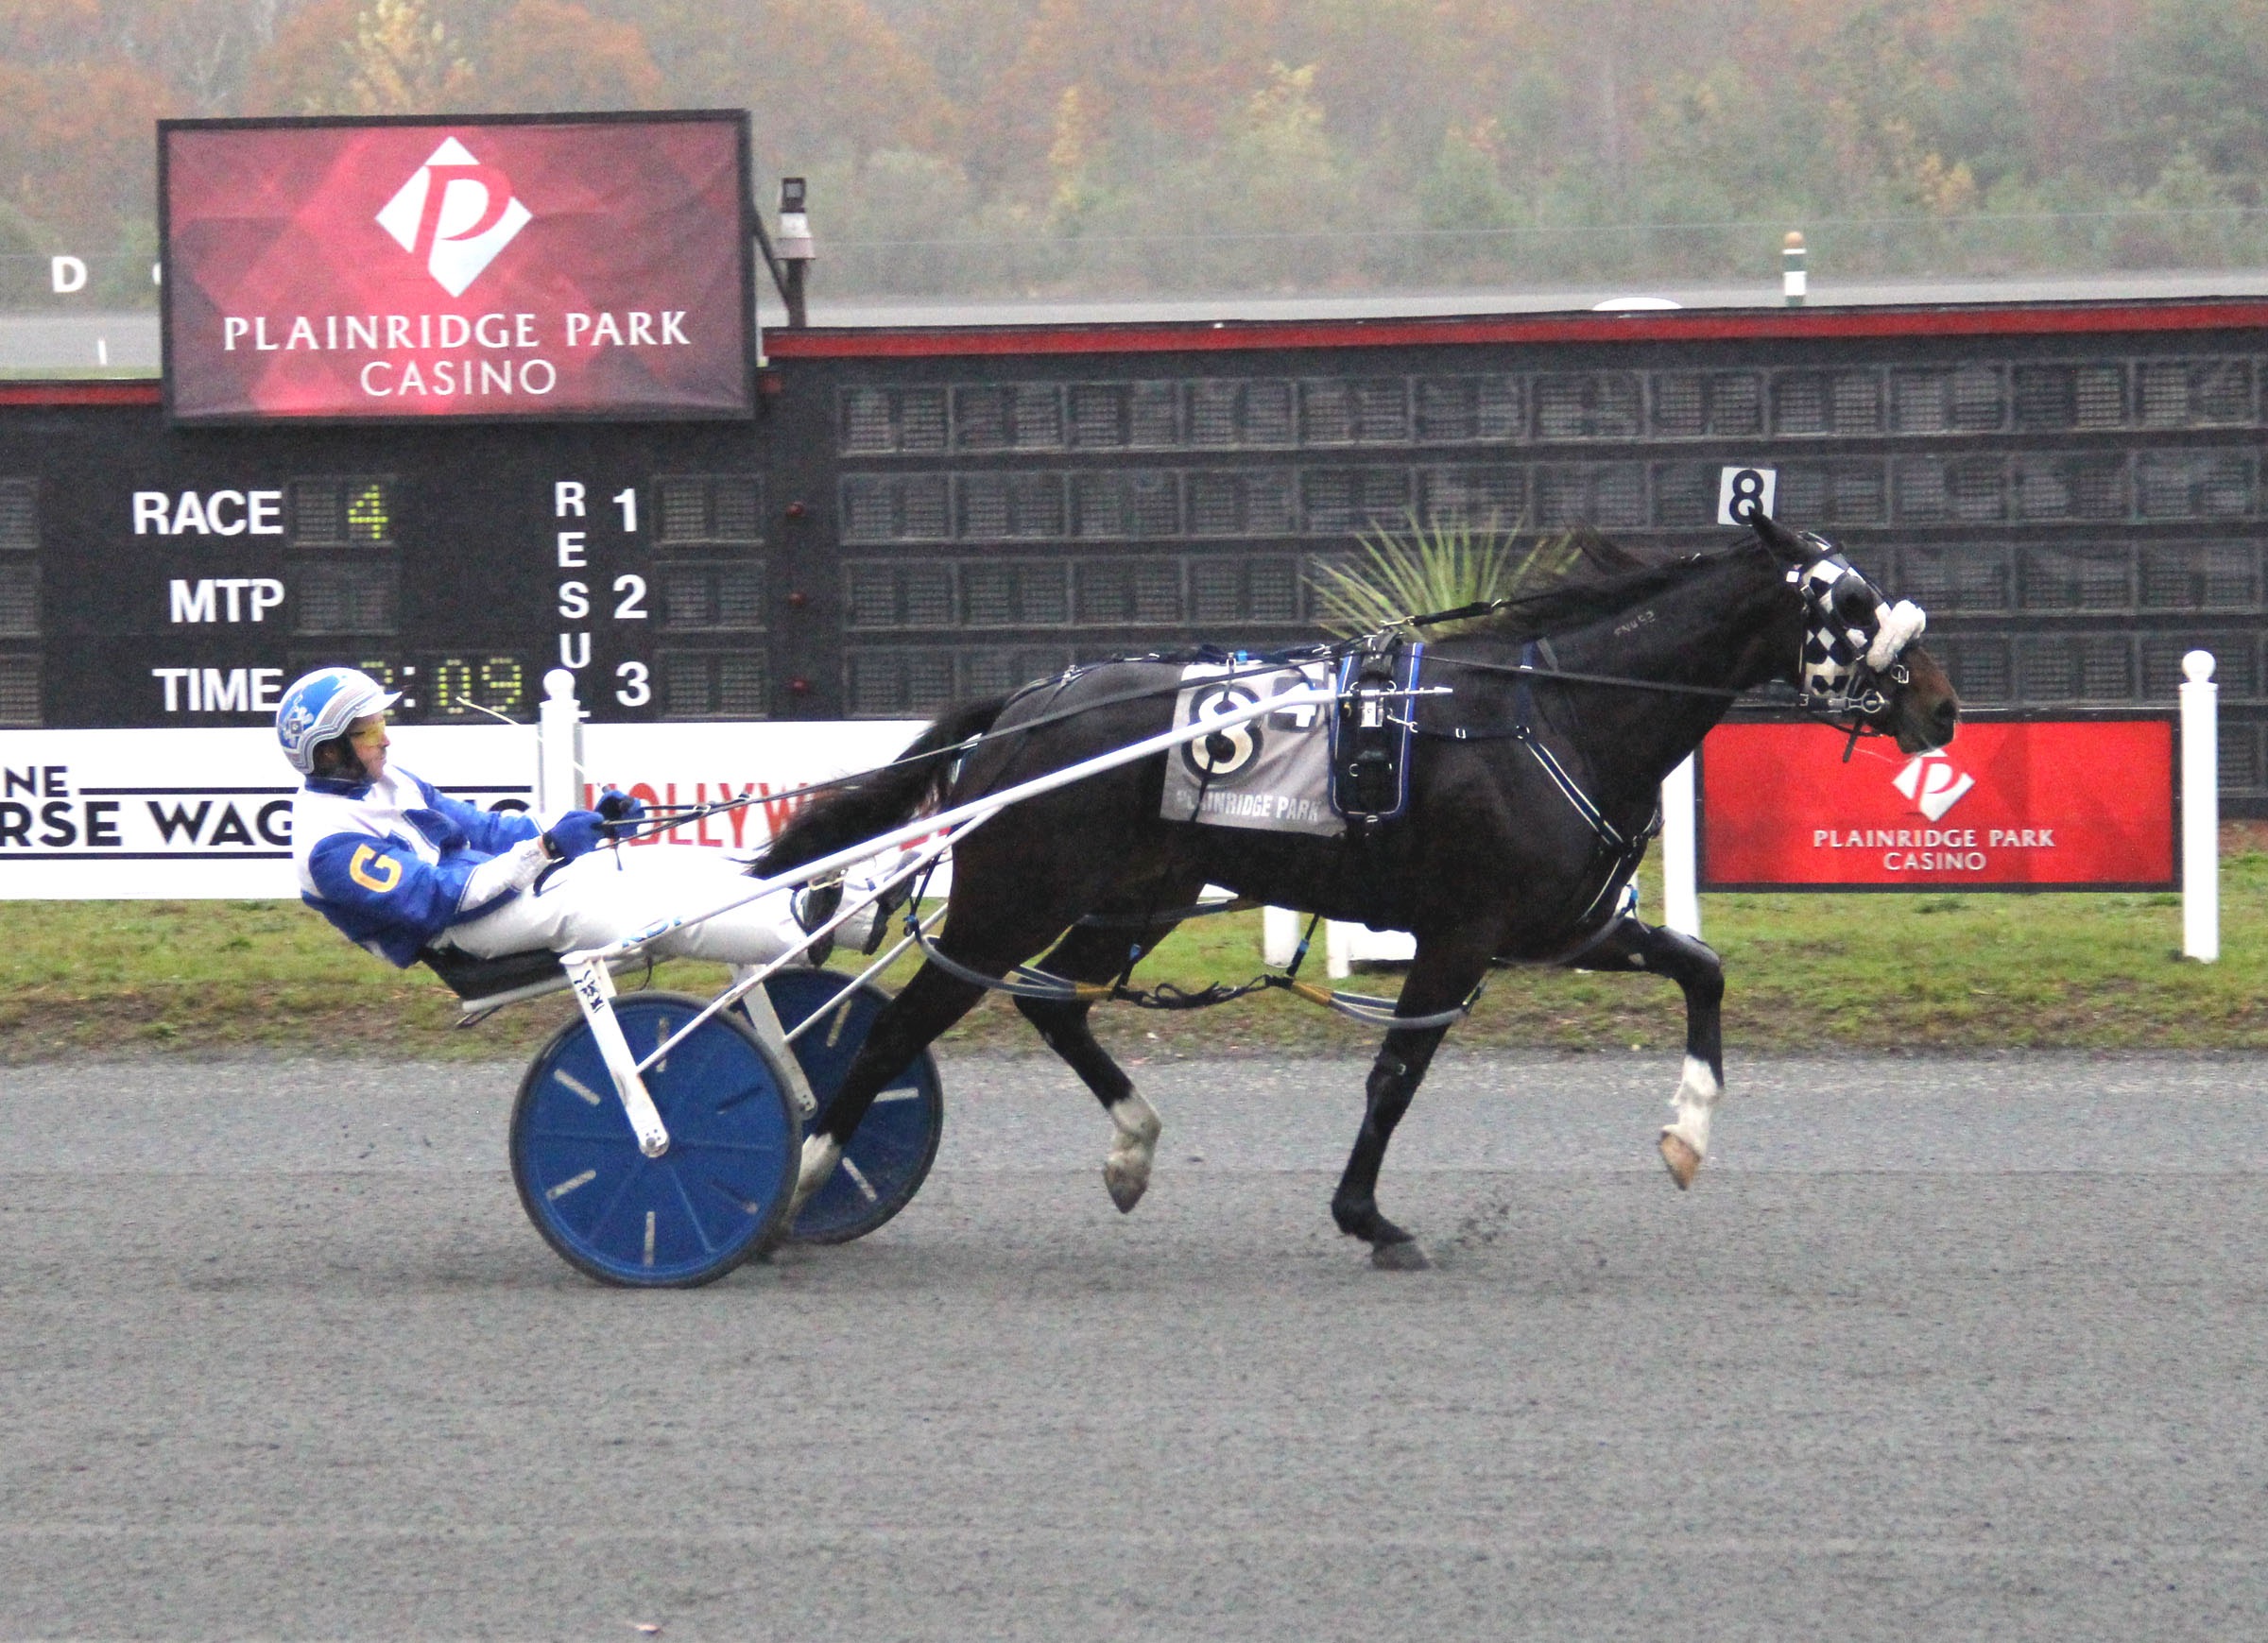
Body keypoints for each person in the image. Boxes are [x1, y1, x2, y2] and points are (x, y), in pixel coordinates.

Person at [278, 665, 842, 972]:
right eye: (370, 731)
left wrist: (588, 825)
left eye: (381, 724)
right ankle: (795, 930)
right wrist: (547, 849)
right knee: (618, 909)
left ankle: (852, 909)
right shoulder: (330, 848)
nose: (386, 739)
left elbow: (485, 830)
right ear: (328, 751)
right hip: (458, 931)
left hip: (495, 890)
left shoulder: (391, 778)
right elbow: (442, 898)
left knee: (646, 860)